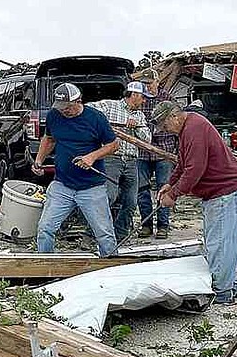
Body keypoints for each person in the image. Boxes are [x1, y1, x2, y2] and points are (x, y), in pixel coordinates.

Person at [152, 100, 237, 304]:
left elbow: (195, 169)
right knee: (223, 244)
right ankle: (228, 287)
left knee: (220, 245)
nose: (166, 130)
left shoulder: (194, 128)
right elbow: (183, 163)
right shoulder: (188, 129)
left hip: (224, 192)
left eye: (166, 126)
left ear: (174, 117)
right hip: (222, 192)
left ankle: (222, 293)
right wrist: (170, 184)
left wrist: (174, 194)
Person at [32, 82, 118, 257]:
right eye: (61, 107)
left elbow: (114, 145)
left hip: (91, 188)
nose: (64, 111)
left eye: (68, 107)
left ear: (79, 101)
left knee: (104, 235)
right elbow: (49, 139)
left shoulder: (96, 118)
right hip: (62, 185)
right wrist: (39, 160)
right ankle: (45, 268)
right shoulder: (54, 116)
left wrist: (92, 157)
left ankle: (110, 268)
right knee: (44, 229)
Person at [89, 82, 151, 242]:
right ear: (134, 95)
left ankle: (120, 235)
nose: (144, 101)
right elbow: (86, 110)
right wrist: (102, 126)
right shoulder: (109, 106)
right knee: (108, 197)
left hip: (131, 161)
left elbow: (147, 139)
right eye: (143, 97)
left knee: (131, 201)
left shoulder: (140, 116)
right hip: (112, 159)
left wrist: (136, 127)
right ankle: (95, 234)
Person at [136, 70, 179, 239]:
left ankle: (163, 225)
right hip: (142, 153)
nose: (147, 86)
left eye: (150, 82)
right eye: (144, 83)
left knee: (164, 188)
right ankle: (146, 225)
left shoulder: (168, 99)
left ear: (157, 81)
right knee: (142, 190)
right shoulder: (139, 99)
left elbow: (176, 126)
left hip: (165, 152)